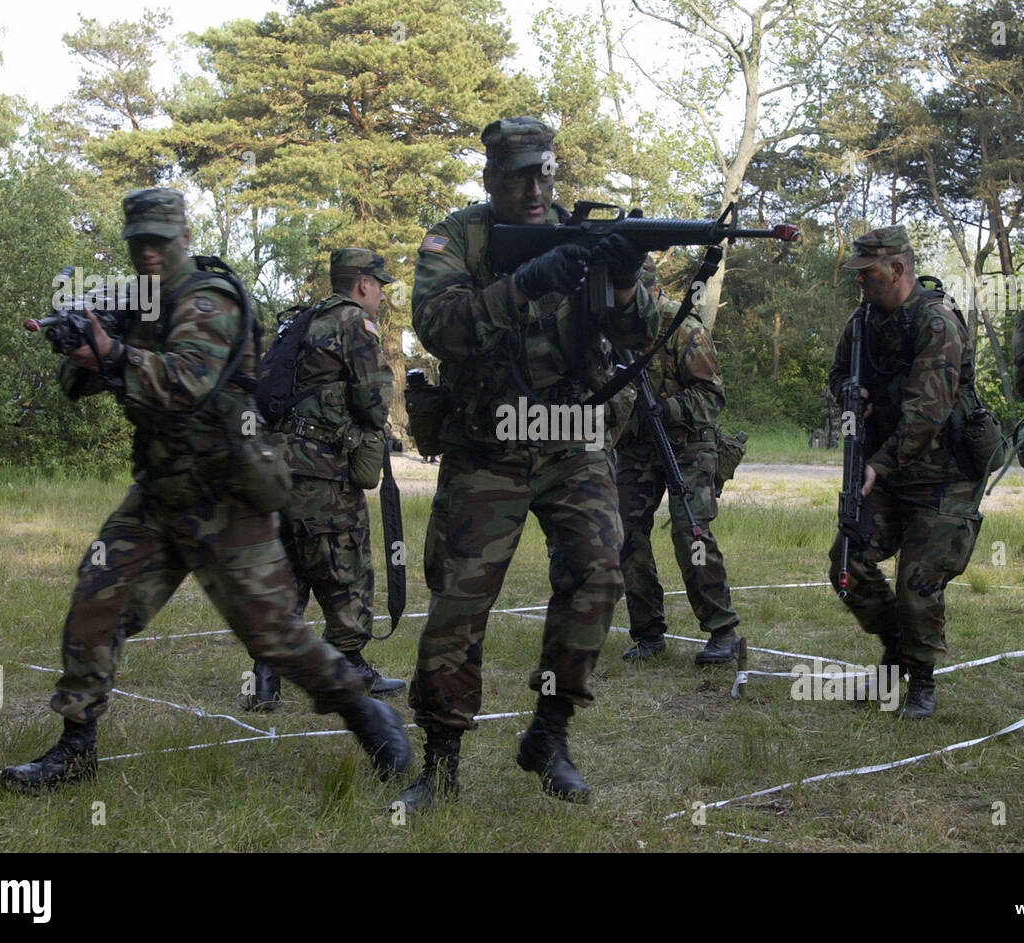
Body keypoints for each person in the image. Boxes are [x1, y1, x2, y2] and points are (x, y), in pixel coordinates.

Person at [0, 189, 409, 793]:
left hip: (226, 492)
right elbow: (85, 379)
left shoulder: (209, 299)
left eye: (159, 242)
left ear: (183, 239)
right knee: (97, 599)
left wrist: (111, 352)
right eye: (138, 243)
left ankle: (363, 711)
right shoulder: (133, 301)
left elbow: (186, 381)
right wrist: (79, 347)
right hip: (161, 489)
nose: (148, 255)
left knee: (274, 633)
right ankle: (75, 746)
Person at [394, 116, 659, 812]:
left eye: (545, 170)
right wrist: (524, 282)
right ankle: (442, 760)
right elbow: (440, 325)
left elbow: (642, 332)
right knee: (459, 600)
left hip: (571, 439)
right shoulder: (460, 238)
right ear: (491, 179)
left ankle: (550, 728)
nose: (538, 185)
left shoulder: (584, 236)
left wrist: (626, 279)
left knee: (600, 570)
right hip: (488, 446)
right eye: (520, 174)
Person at [825, 225, 986, 719]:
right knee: (848, 563)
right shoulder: (862, 322)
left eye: (867, 274)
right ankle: (897, 647)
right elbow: (837, 377)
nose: (861, 284)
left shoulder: (937, 322)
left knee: (917, 586)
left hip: (943, 475)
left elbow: (927, 413)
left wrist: (878, 464)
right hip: (888, 471)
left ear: (897, 270)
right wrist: (854, 394)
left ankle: (921, 681)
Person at [246, 248, 405, 709]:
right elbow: (375, 401)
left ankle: (264, 676)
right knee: (344, 564)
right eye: (379, 286)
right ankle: (350, 665)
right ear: (362, 285)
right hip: (323, 471)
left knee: (289, 569)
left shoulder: (301, 321)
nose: (381, 296)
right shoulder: (353, 322)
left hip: (278, 466)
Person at [615, 259, 739, 664]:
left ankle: (722, 630)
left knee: (691, 531)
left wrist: (665, 410)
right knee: (625, 533)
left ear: (650, 293)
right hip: (636, 445)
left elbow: (712, 397)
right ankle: (648, 632)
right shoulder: (612, 331)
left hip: (688, 443)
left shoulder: (683, 327)